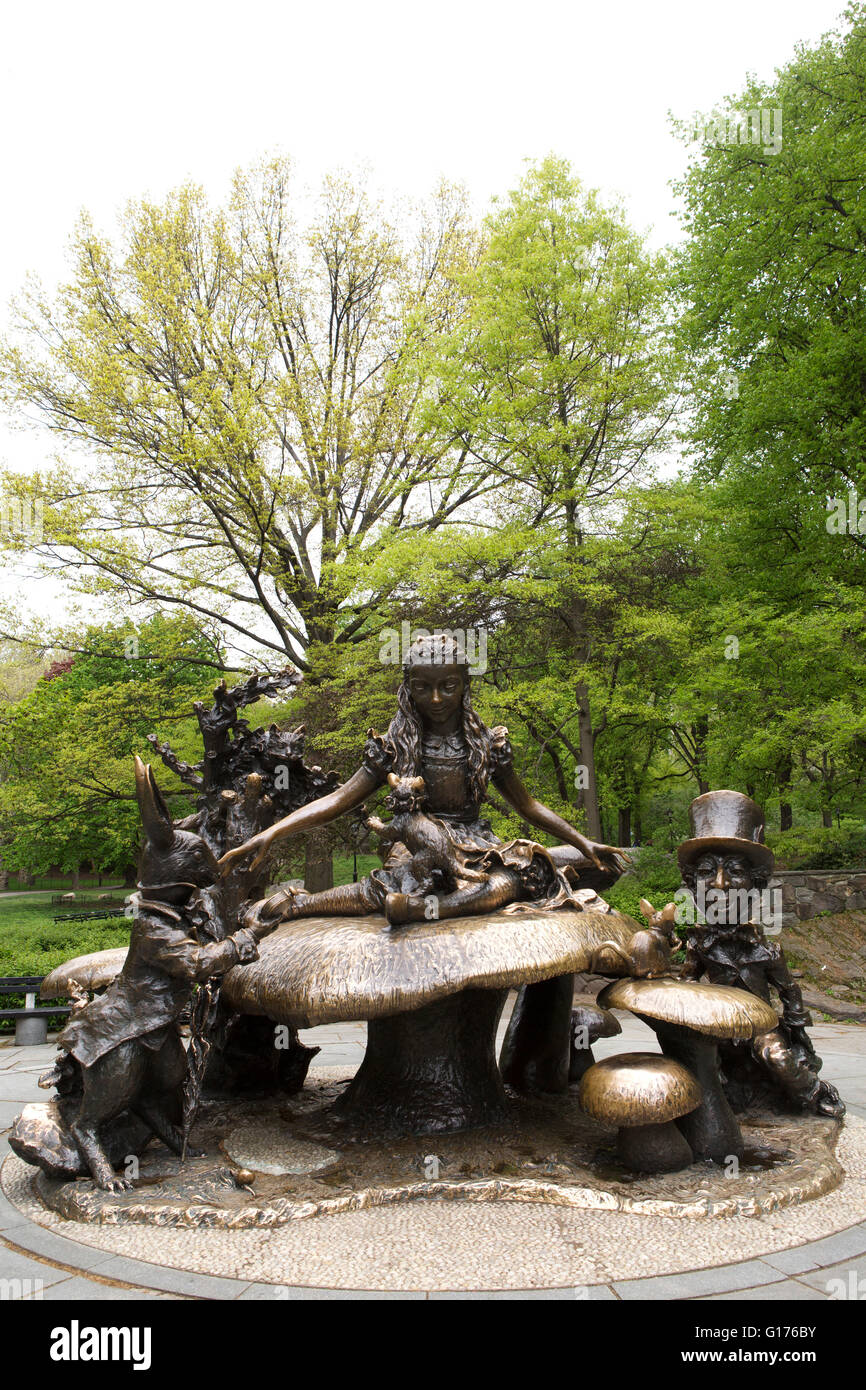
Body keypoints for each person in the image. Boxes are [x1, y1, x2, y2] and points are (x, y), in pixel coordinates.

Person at [220, 633, 623, 926]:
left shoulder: (486, 745)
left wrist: (583, 842)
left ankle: (420, 909)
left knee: (517, 877)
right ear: (407, 689)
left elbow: (528, 806)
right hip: (416, 842)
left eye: (447, 686)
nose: (435, 699)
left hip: (474, 844)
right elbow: (340, 799)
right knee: (404, 878)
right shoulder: (394, 745)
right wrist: (269, 834)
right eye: (422, 687)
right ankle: (298, 905)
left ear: (464, 685)